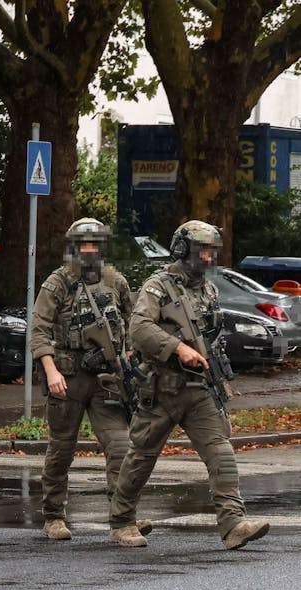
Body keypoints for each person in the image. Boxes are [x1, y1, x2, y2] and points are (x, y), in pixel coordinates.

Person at [109, 220, 269, 549]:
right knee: (141, 457)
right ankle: (123, 520)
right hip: (161, 388)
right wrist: (177, 347)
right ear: (183, 250)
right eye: (202, 251)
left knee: (221, 452)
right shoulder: (158, 287)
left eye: (213, 252)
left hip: (198, 389)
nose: (208, 258)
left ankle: (233, 524)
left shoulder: (207, 290)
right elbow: (138, 328)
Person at [29, 218, 150, 541]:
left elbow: (133, 321)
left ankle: (123, 519)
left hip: (107, 379)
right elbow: (38, 330)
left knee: (121, 446)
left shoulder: (115, 282)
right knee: (62, 449)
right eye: (83, 244)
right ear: (73, 247)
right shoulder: (57, 283)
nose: (89, 250)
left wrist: (129, 356)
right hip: (67, 378)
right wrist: (51, 370)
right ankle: (53, 515)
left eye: (95, 244)